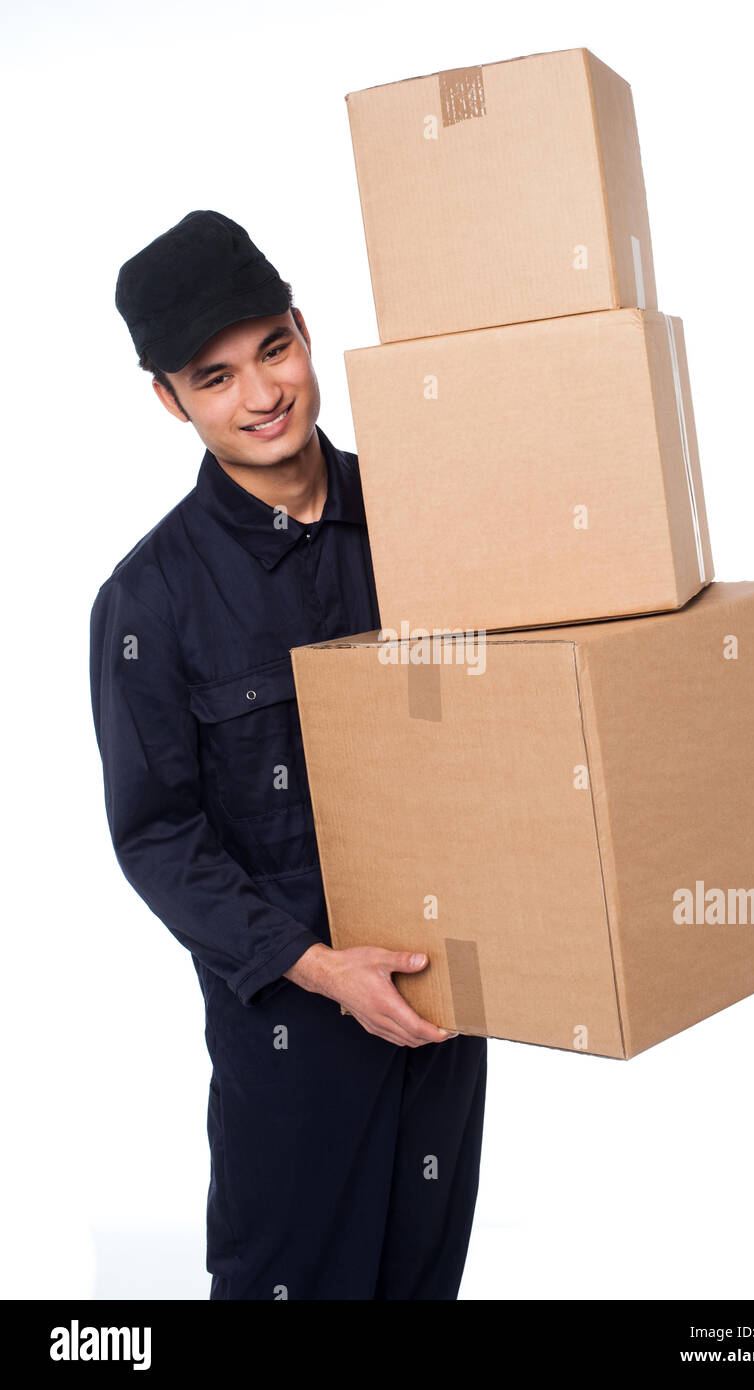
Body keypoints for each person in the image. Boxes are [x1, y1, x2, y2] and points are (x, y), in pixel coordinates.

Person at [89, 209, 487, 1299]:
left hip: (445, 1000)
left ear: (305, 333)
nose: (262, 394)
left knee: (420, 1281)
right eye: (213, 378)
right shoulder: (148, 600)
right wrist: (320, 971)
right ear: (169, 399)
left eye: (274, 348)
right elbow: (157, 838)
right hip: (291, 1029)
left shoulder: (426, 519)